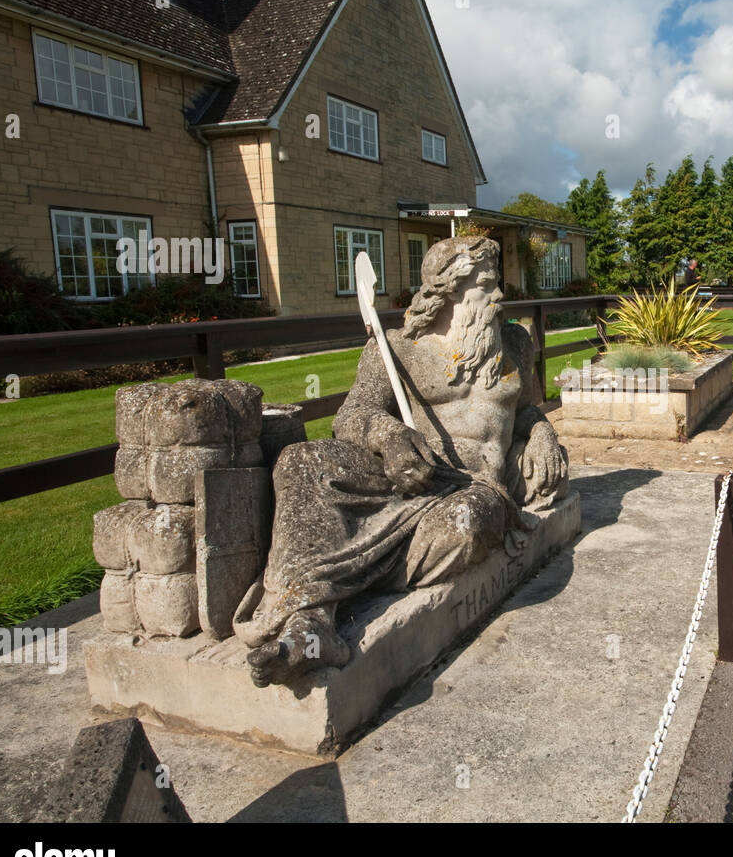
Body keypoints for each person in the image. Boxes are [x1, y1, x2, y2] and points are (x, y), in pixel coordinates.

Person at [233, 236, 569, 686]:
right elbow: (353, 414)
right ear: (446, 290)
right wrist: (389, 435)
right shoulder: (397, 348)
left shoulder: (514, 343)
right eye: (486, 285)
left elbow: (523, 409)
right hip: (412, 476)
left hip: (473, 488)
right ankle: (310, 625)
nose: (499, 296)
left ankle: (344, 573)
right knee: (301, 459)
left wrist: (543, 431)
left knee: (468, 523)